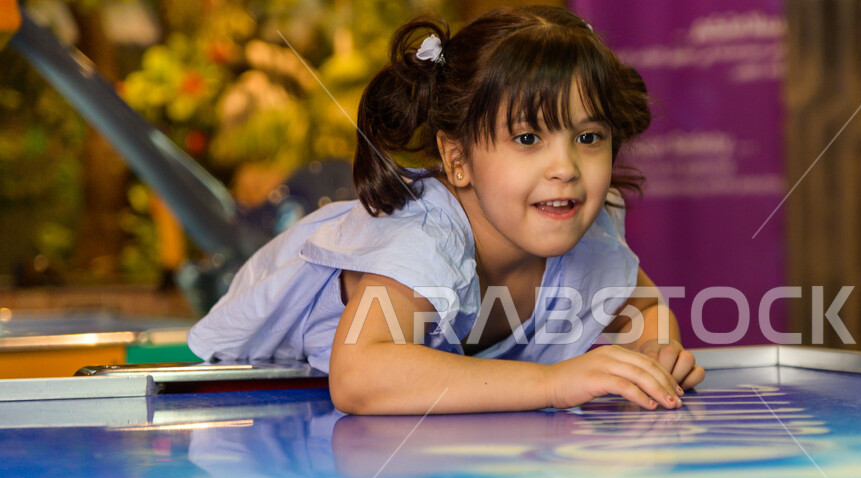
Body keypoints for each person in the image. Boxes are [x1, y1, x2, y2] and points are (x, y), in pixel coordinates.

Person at [188, 5, 705, 415]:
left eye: (588, 137)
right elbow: (359, 377)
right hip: (244, 407)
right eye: (528, 138)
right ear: (457, 159)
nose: (565, 168)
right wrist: (552, 384)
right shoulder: (425, 235)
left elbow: (644, 309)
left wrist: (655, 352)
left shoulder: (585, 230)